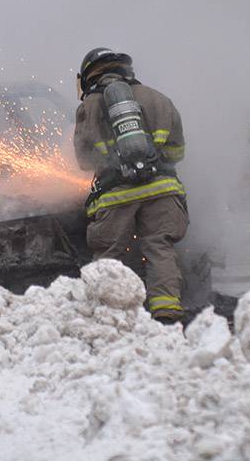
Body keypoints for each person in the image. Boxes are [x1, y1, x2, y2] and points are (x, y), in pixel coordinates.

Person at [73, 47, 188, 323]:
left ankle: (106, 314)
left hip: (116, 197)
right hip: (162, 190)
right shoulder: (159, 99)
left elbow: (84, 161)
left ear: (89, 75)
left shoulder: (88, 107)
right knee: (160, 248)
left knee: (109, 256)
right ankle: (166, 310)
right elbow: (177, 152)